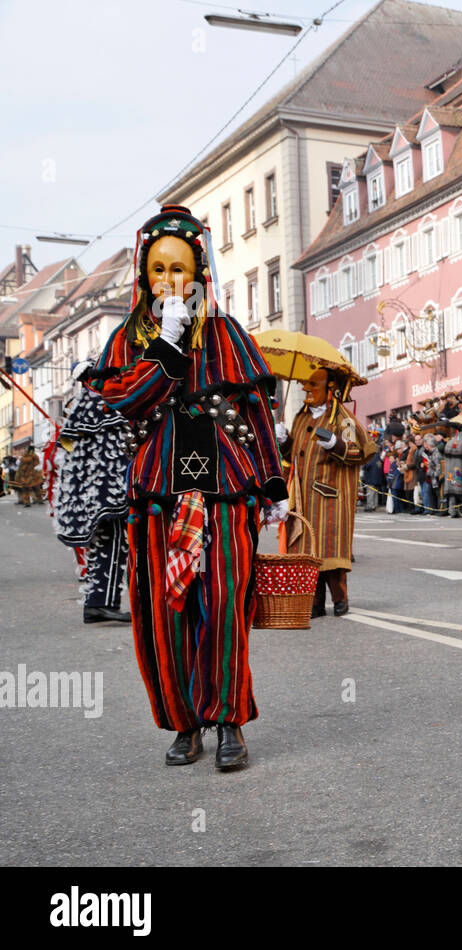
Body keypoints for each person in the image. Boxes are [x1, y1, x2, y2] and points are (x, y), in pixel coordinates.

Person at [88, 204, 288, 771]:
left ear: (199, 274)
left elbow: (254, 414)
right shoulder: (130, 340)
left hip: (224, 485)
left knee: (223, 603)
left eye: (180, 270)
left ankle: (227, 721)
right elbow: (129, 401)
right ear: (144, 276)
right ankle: (184, 722)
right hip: (159, 489)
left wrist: (275, 489)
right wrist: (168, 344)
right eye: (159, 271)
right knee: (164, 609)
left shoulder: (226, 333)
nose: (170, 283)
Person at [277, 366, 371, 618]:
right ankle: (314, 603)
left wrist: (335, 443)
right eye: (304, 384)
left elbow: (358, 452)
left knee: (330, 552)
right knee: (307, 552)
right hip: (303, 496)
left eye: (312, 384)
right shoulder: (301, 417)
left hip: (330, 497)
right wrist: (284, 441)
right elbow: (292, 456)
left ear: (330, 388)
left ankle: (340, 600)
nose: (305, 388)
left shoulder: (343, 419)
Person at [52, 362, 132, 623]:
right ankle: (100, 604)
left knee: (108, 546)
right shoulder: (104, 404)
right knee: (113, 543)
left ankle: (98, 603)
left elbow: (66, 443)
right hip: (108, 495)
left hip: (93, 495)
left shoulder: (81, 405)